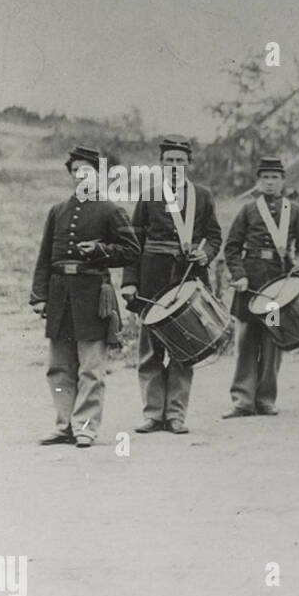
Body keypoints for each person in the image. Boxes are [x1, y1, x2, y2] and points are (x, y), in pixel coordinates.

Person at [29, 145, 141, 447]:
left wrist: (102, 251)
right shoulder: (58, 211)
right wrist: (39, 296)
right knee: (59, 366)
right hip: (60, 296)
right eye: (76, 170)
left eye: (87, 170)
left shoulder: (110, 210)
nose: (81, 175)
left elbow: (132, 251)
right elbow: (44, 258)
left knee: (91, 368)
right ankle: (64, 424)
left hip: (92, 297)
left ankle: (85, 428)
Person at [120, 135, 223, 434]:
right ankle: (153, 413)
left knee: (184, 347)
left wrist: (207, 253)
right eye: (169, 161)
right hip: (152, 280)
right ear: (161, 165)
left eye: (180, 161)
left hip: (188, 279)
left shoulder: (202, 196)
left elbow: (214, 236)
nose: (175, 166)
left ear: (188, 163)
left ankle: (176, 415)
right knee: (150, 350)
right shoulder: (149, 195)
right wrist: (130, 282)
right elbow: (132, 242)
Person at [222, 157, 299, 418]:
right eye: (265, 178)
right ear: (258, 182)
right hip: (251, 284)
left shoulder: (293, 211)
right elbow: (232, 247)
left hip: (278, 286)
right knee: (247, 339)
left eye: (275, 178)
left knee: (273, 338)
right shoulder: (248, 210)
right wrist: (239, 275)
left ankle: (266, 399)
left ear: (283, 181)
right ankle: (242, 400)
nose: (270, 182)